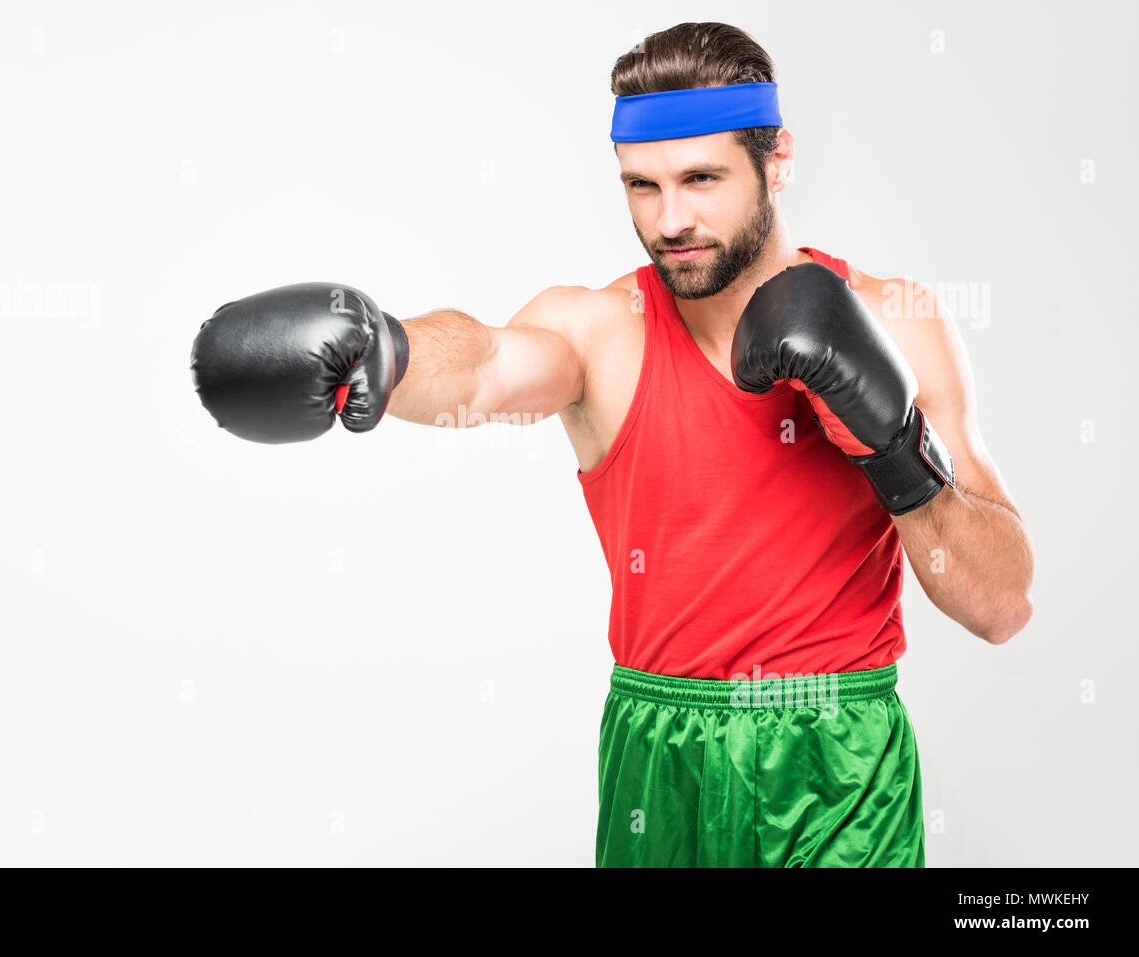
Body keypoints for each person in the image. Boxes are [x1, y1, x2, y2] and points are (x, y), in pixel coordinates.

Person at [190, 21, 1034, 867]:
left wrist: (896, 446)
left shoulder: (894, 322)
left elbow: (1001, 605)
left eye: (701, 179)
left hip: (840, 759)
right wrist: (388, 345)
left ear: (777, 158)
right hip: (658, 753)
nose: (671, 221)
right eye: (642, 186)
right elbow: (485, 363)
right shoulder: (602, 332)